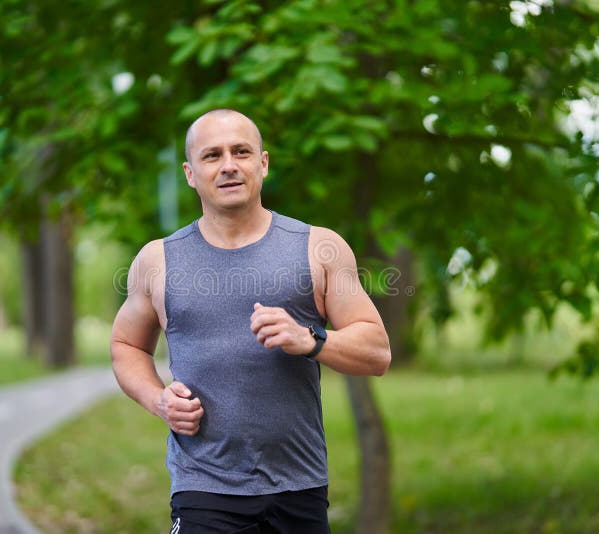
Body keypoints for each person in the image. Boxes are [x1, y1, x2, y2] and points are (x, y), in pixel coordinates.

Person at [110, 108, 391, 533]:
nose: (228, 165)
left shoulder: (319, 248)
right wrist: (159, 401)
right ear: (190, 173)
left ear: (262, 163)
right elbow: (126, 345)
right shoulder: (157, 260)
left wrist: (310, 338)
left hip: (299, 486)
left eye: (241, 152)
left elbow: (377, 352)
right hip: (204, 487)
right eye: (212, 155)